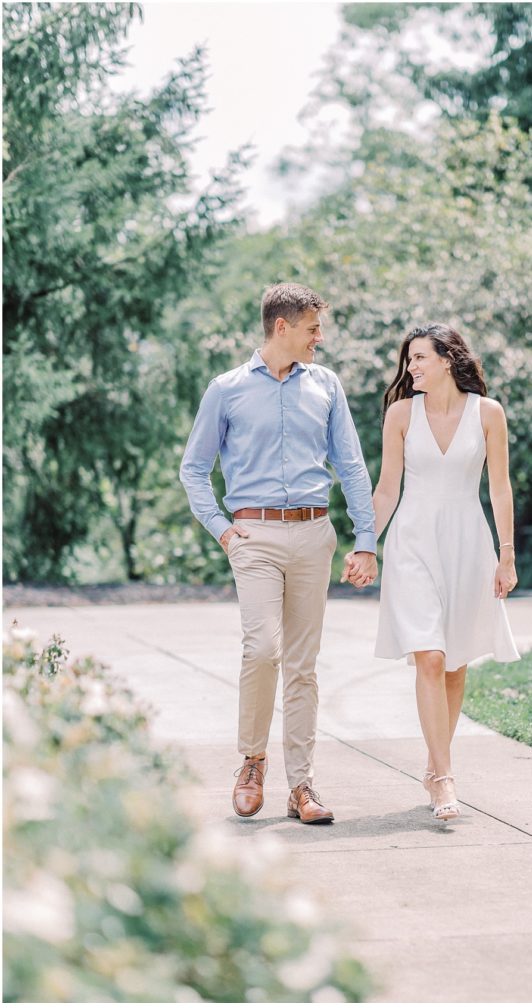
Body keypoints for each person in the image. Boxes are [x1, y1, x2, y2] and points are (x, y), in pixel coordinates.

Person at [180, 283, 377, 824]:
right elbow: (193, 469)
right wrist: (220, 528)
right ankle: (252, 761)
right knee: (262, 650)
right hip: (254, 537)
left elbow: (352, 465)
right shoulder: (227, 389)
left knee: (303, 665)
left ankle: (302, 786)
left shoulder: (327, 386)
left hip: (314, 533)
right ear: (282, 327)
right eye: (314, 328)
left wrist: (365, 539)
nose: (321, 337)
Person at [344, 323, 519, 820]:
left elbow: (500, 489)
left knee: (456, 661)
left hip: (467, 542)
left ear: (448, 358)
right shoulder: (401, 414)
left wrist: (506, 555)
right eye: (409, 360)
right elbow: (386, 489)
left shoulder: (489, 413)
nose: (411, 368)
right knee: (430, 656)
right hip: (412, 542)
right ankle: (443, 779)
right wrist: (364, 546)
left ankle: (434, 762)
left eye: (420, 357)